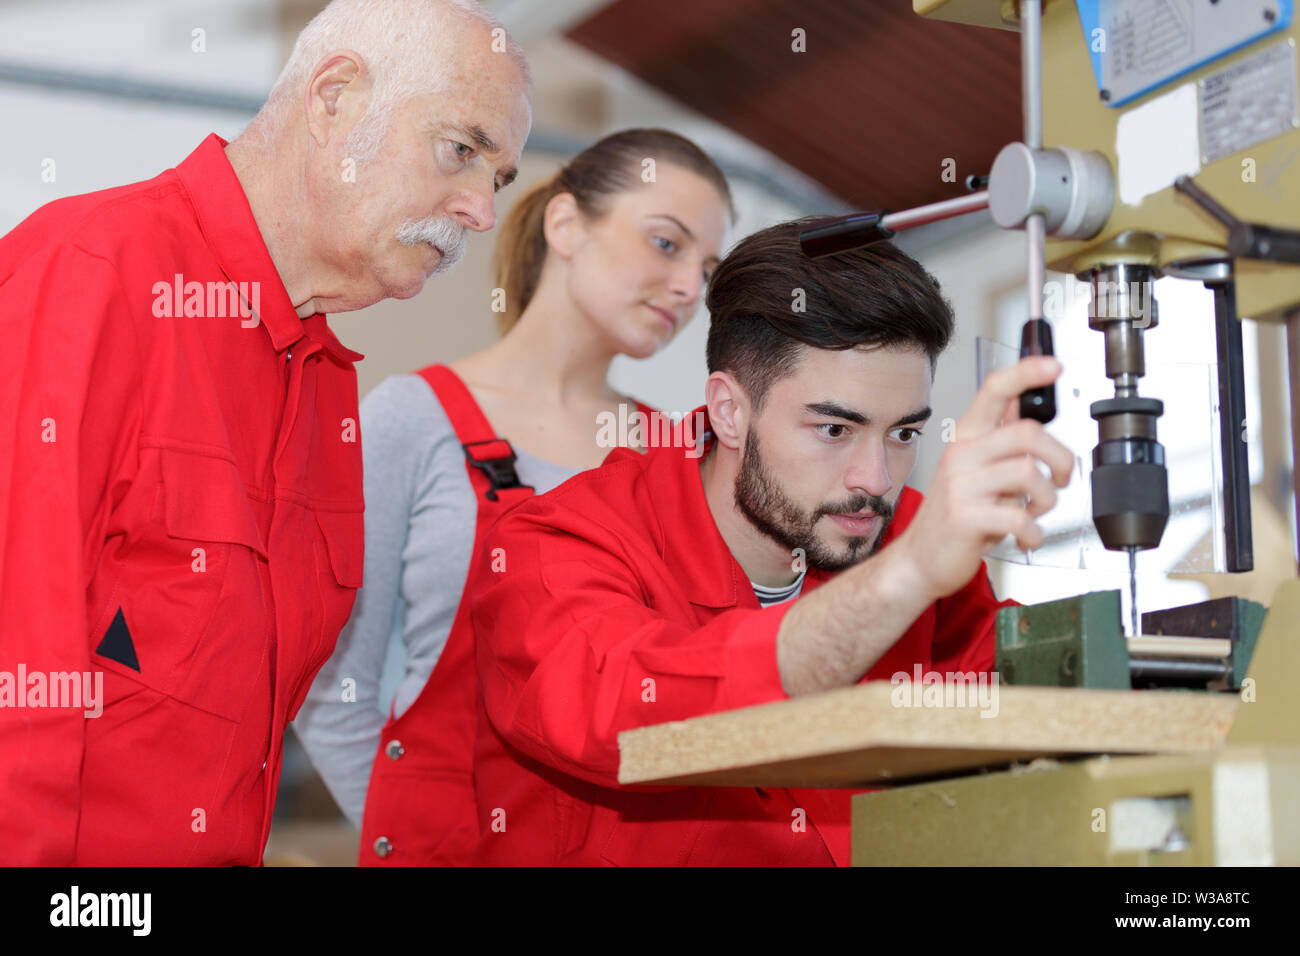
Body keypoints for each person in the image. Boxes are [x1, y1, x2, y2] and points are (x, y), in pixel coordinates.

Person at [0, 0, 530, 865]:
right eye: (462, 149)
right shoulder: (87, 275)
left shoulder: (327, 381)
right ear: (334, 99)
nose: (479, 209)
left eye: (499, 180)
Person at [467, 218, 1074, 865]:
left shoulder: (905, 541)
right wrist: (903, 577)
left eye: (904, 435)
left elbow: (1015, 678)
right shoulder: (552, 546)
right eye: (835, 430)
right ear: (730, 411)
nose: (875, 482)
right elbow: (629, 714)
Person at [293, 128, 733, 866]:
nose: (691, 287)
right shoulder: (413, 418)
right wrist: (417, 836)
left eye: (709, 268)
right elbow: (333, 685)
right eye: (667, 244)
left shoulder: (681, 458)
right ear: (566, 225)